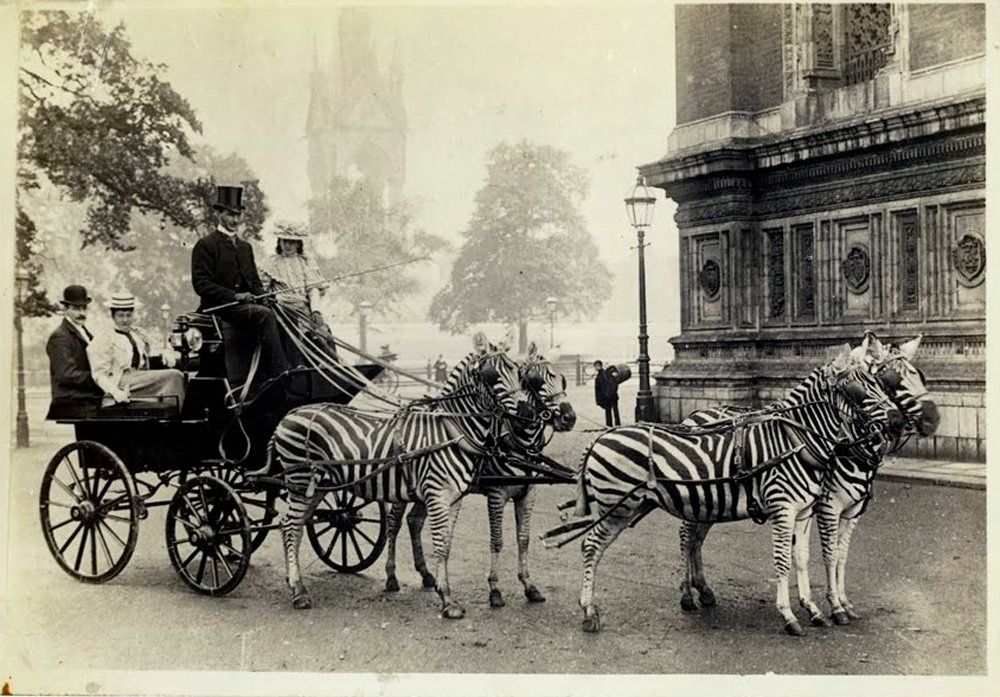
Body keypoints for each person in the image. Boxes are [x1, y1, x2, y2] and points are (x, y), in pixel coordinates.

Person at [190, 185, 289, 382]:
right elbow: (201, 285)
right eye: (229, 214)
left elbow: (253, 281)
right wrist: (235, 296)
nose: (235, 220)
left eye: (238, 215)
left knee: (282, 311)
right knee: (263, 315)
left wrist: (264, 295)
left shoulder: (245, 248)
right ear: (219, 213)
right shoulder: (206, 245)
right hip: (219, 307)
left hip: (244, 308)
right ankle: (280, 373)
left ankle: (292, 367)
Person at [86, 291, 186, 410]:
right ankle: (176, 415)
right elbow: (99, 375)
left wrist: (165, 355)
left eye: (129, 315)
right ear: (113, 316)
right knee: (174, 376)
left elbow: (147, 357)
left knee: (180, 375)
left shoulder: (137, 334)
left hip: (139, 378)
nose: (125, 320)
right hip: (121, 382)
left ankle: (172, 412)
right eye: (120, 316)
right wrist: (115, 392)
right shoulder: (105, 338)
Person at [259, 221, 337, 359]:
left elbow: (313, 289)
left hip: (303, 308)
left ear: (298, 244)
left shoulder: (306, 262)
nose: (287, 245)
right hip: (281, 308)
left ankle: (329, 367)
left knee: (322, 332)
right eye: (284, 241)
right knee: (291, 334)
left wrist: (316, 310)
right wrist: (267, 297)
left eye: (292, 242)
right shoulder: (272, 262)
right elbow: (263, 288)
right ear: (279, 242)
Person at [45, 285, 102, 416]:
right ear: (66, 309)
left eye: (84, 308)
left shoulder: (84, 332)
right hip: (73, 400)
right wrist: (100, 378)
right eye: (76, 308)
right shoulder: (60, 336)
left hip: (87, 398)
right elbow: (66, 374)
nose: (81, 313)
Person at [593, 359, 621, 427]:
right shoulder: (599, 377)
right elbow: (598, 390)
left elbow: (614, 382)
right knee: (610, 411)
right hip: (608, 396)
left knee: (613, 410)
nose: (597, 367)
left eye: (598, 366)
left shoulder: (606, 373)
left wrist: (612, 391)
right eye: (596, 366)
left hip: (610, 395)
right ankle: (612, 424)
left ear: (600, 366)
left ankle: (614, 424)